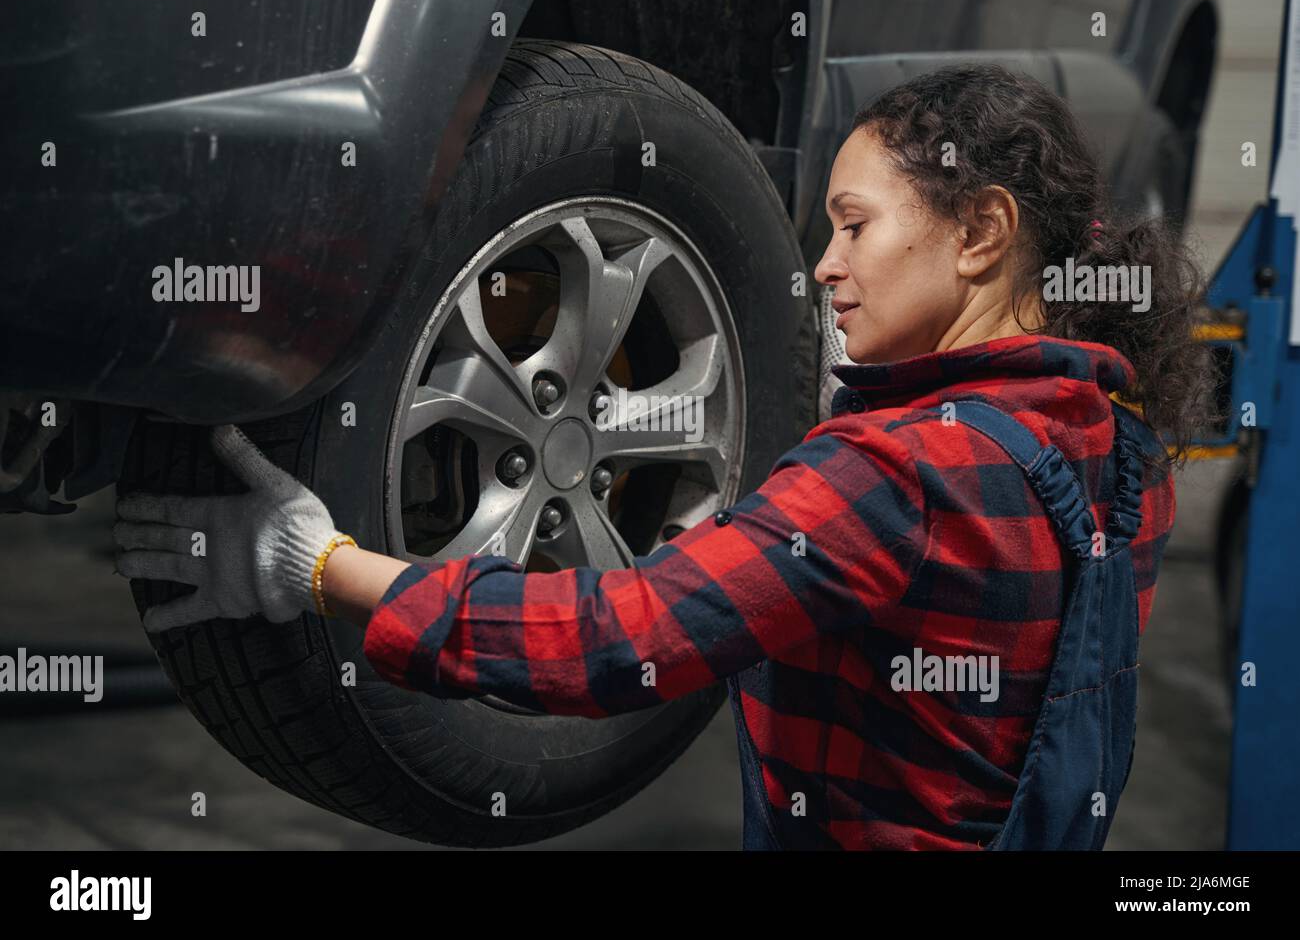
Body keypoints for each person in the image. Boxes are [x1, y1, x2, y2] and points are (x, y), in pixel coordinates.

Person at [114, 64, 1212, 850]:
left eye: (852, 226)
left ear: (977, 233)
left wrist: (321, 566)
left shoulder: (891, 475)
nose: (821, 267)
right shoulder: (1121, 447)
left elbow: (615, 640)